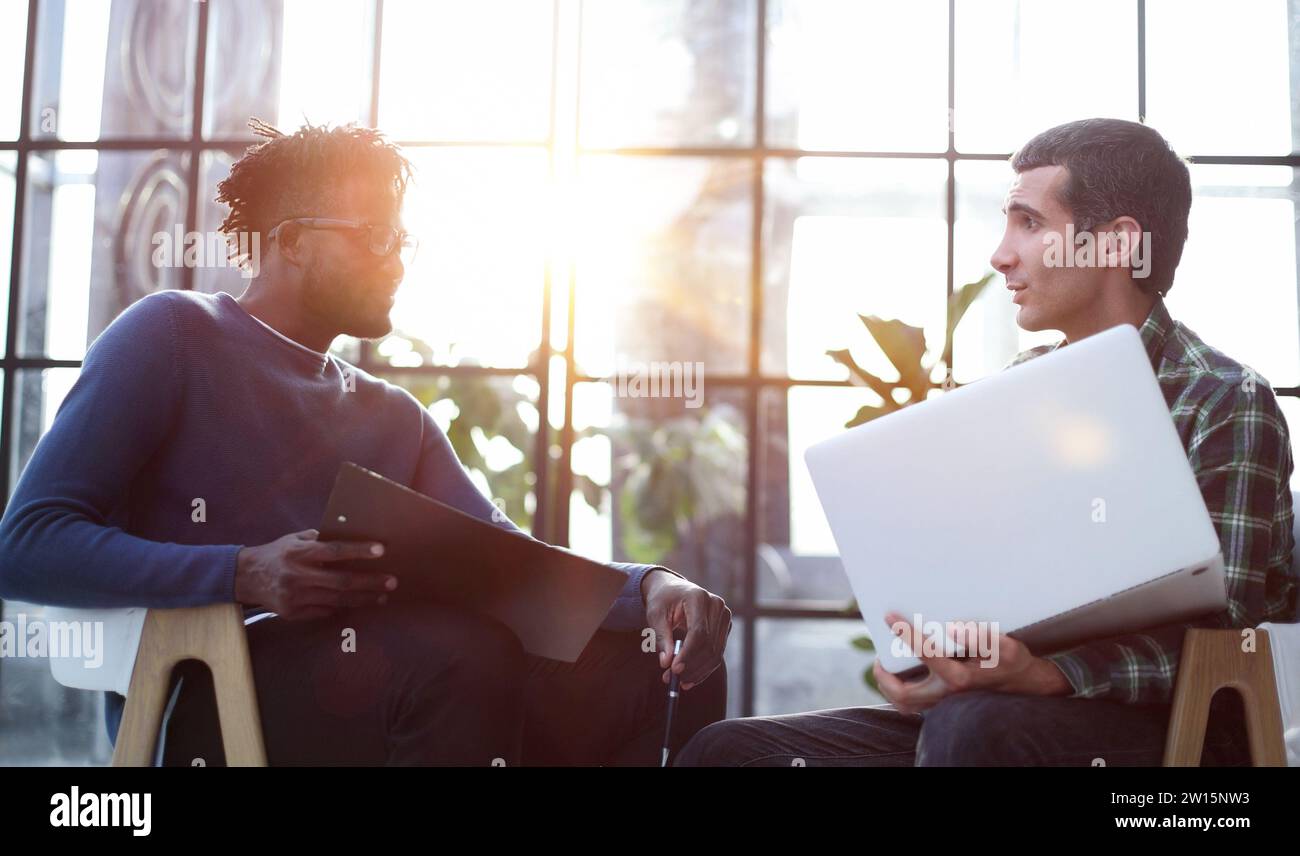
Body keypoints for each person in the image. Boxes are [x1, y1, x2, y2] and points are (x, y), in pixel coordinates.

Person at [0, 119, 731, 766]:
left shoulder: (393, 414)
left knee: (663, 658)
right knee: (461, 657)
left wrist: (656, 589)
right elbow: (25, 544)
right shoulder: (171, 335)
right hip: (208, 690)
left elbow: (509, 562)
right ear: (289, 242)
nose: (397, 261)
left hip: (399, 679)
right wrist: (243, 573)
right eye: (374, 237)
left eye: (401, 239)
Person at [675, 118, 1295, 767]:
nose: (1001, 254)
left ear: (1116, 244)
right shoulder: (1019, 395)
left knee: (974, 731)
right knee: (730, 750)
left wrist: (1047, 676)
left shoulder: (1223, 401)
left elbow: (1229, 640)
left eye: (1029, 223)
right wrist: (938, 663)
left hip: (1170, 737)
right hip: (990, 716)